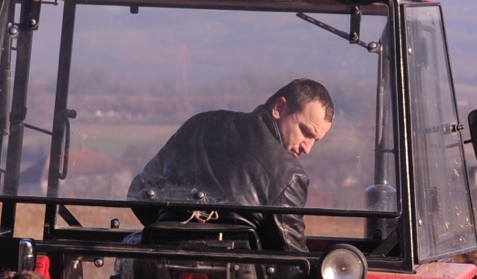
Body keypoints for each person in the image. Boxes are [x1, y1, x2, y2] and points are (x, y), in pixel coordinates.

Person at [127, 78, 334, 251]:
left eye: (315, 140)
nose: (307, 148)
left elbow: (140, 192)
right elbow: (290, 258)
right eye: (305, 132)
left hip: (163, 274)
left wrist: (171, 233)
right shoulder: (289, 175)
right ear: (279, 108)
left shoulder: (198, 125)